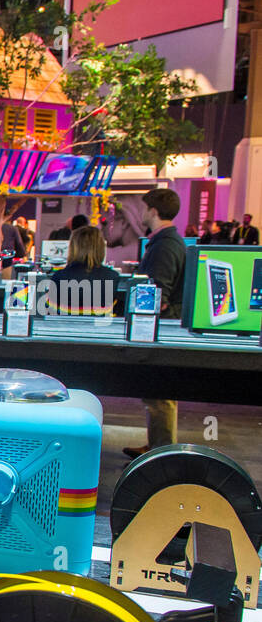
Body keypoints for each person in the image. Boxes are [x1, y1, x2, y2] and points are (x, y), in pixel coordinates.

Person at [126, 188, 187, 458]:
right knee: (156, 394)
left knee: (160, 393)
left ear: (153, 210)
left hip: (162, 326)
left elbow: (158, 294)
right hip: (162, 325)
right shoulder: (166, 241)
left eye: (143, 207)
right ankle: (157, 446)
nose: (140, 212)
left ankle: (162, 453)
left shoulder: (165, 245)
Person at [47, 226, 121, 315]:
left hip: (65, 326)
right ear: (101, 247)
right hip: (99, 327)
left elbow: (49, 312)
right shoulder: (112, 277)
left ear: (73, 247)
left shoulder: (59, 276)